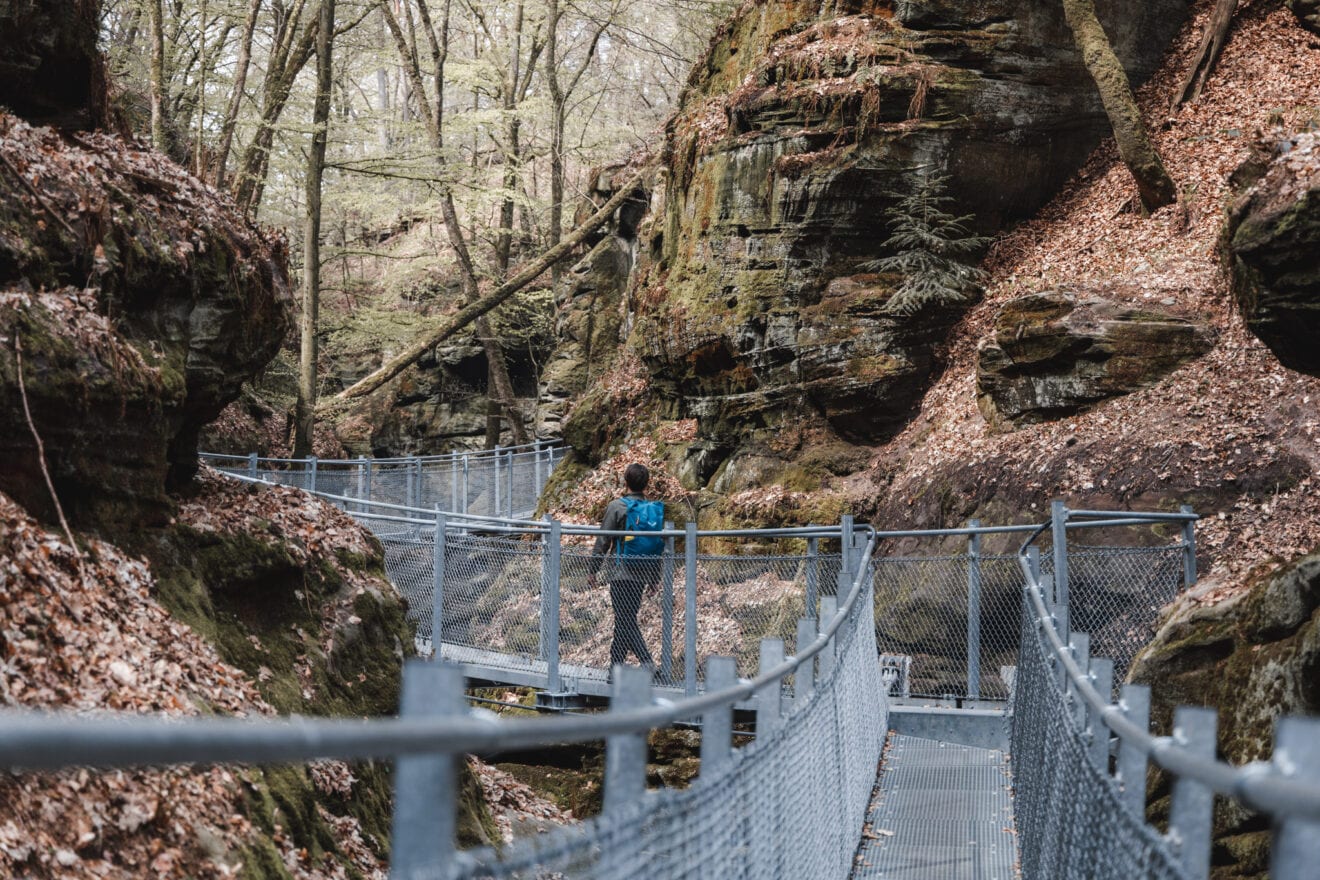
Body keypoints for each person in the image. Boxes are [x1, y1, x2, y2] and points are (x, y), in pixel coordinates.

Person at [588, 463, 664, 669]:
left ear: (625, 481)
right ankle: (616, 667)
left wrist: (593, 569)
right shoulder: (650, 512)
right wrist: (654, 578)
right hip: (641, 573)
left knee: (624, 620)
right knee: (625, 619)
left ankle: (644, 661)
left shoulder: (617, 507)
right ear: (646, 485)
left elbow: (603, 541)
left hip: (621, 572)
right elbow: (656, 546)